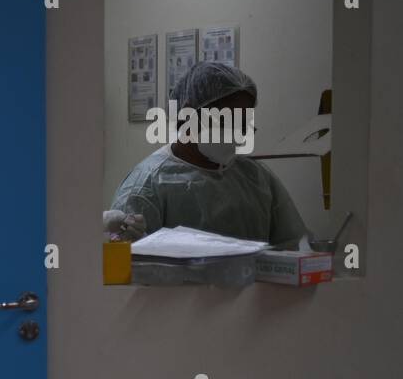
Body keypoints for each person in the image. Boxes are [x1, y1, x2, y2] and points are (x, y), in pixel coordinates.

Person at [108, 62, 308, 246]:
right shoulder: (146, 187)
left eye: (243, 125)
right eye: (226, 123)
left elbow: (294, 245)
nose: (236, 135)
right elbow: (128, 267)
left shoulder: (256, 178)